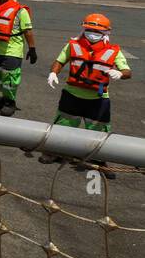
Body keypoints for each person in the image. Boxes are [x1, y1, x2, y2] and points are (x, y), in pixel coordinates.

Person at [42, 13, 131, 170]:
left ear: (105, 33)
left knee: (99, 130)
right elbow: (59, 61)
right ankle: (56, 151)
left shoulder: (114, 51)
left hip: (98, 97)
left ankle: (98, 158)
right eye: (89, 30)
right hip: (72, 94)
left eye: (97, 32)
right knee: (63, 125)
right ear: (84, 29)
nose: (93, 34)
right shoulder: (73, 45)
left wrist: (120, 73)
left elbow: (127, 71)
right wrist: (53, 72)